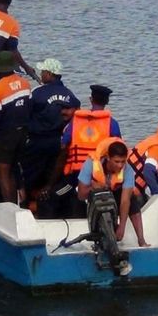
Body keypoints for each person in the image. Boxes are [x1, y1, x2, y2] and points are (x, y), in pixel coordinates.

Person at [42, 84, 122, 218]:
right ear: (107, 102)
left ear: (91, 100)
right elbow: (119, 151)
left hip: (76, 177)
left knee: (49, 198)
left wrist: (49, 185)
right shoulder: (112, 124)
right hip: (102, 177)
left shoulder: (75, 122)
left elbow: (63, 151)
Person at [21, 58, 80, 211]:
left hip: (37, 142)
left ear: (49, 74)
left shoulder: (37, 93)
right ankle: (50, 204)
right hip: (60, 144)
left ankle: (28, 206)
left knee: (30, 175)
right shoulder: (69, 95)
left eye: (43, 72)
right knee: (53, 176)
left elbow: (26, 114)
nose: (41, 74)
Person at [77, 137, 148, 247]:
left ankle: (141, 240)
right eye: (116, 161)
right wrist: (93, 187)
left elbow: (125, 201)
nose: (120, 166)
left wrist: (122, 227)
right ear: (108, 158)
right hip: (94, 197)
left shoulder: (127, 169)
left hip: (115, 195)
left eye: (123, 161)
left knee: (133, 200)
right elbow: (81, 195)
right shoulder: (91, 163)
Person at [0, 50, 32, 204]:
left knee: (3, 171)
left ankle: (9, 207)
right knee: (14, 167)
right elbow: (29, 107)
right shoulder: (25, 83)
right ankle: (19, 202)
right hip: (23, 133)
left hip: (6, 135)